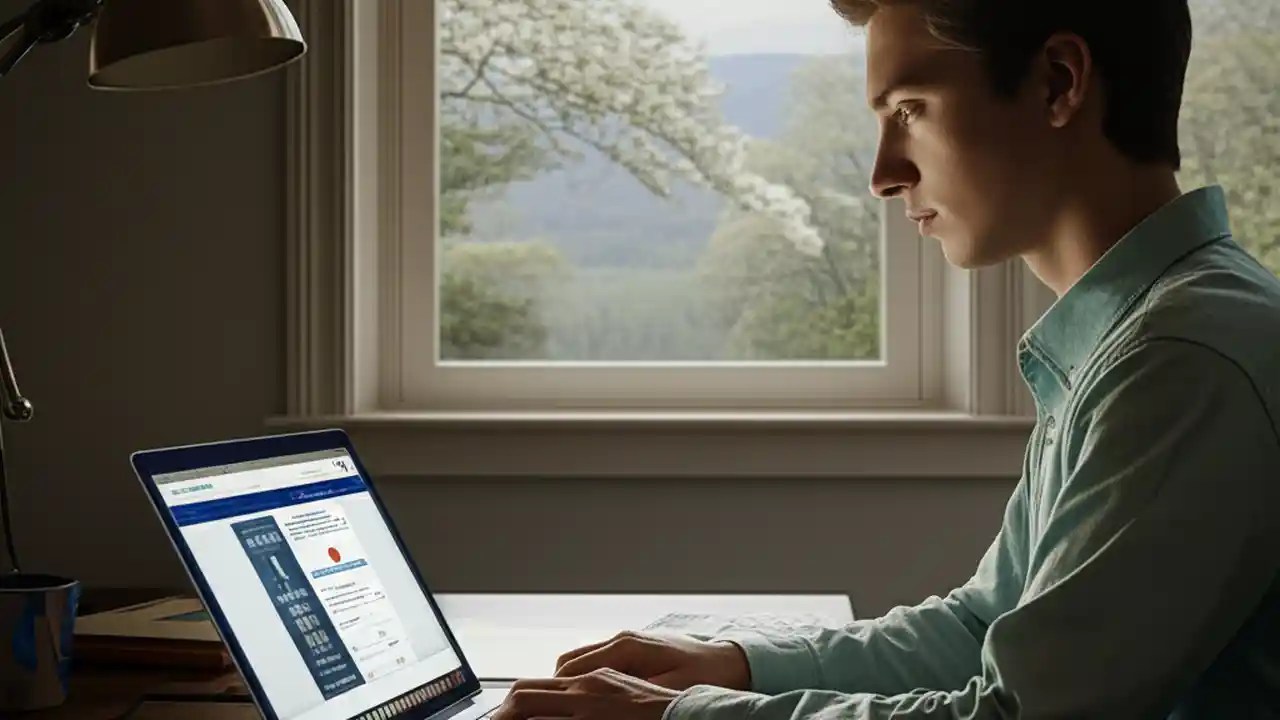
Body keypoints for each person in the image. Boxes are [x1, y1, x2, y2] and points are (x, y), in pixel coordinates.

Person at [490, 0, 1280, 717]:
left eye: (911, 109)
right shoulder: (1142, 336)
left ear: (1057, 83)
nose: (882, 175)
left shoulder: (1181, 361)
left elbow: (1020, 716)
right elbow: (984, 626)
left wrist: (674, 717)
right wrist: (737, 666)